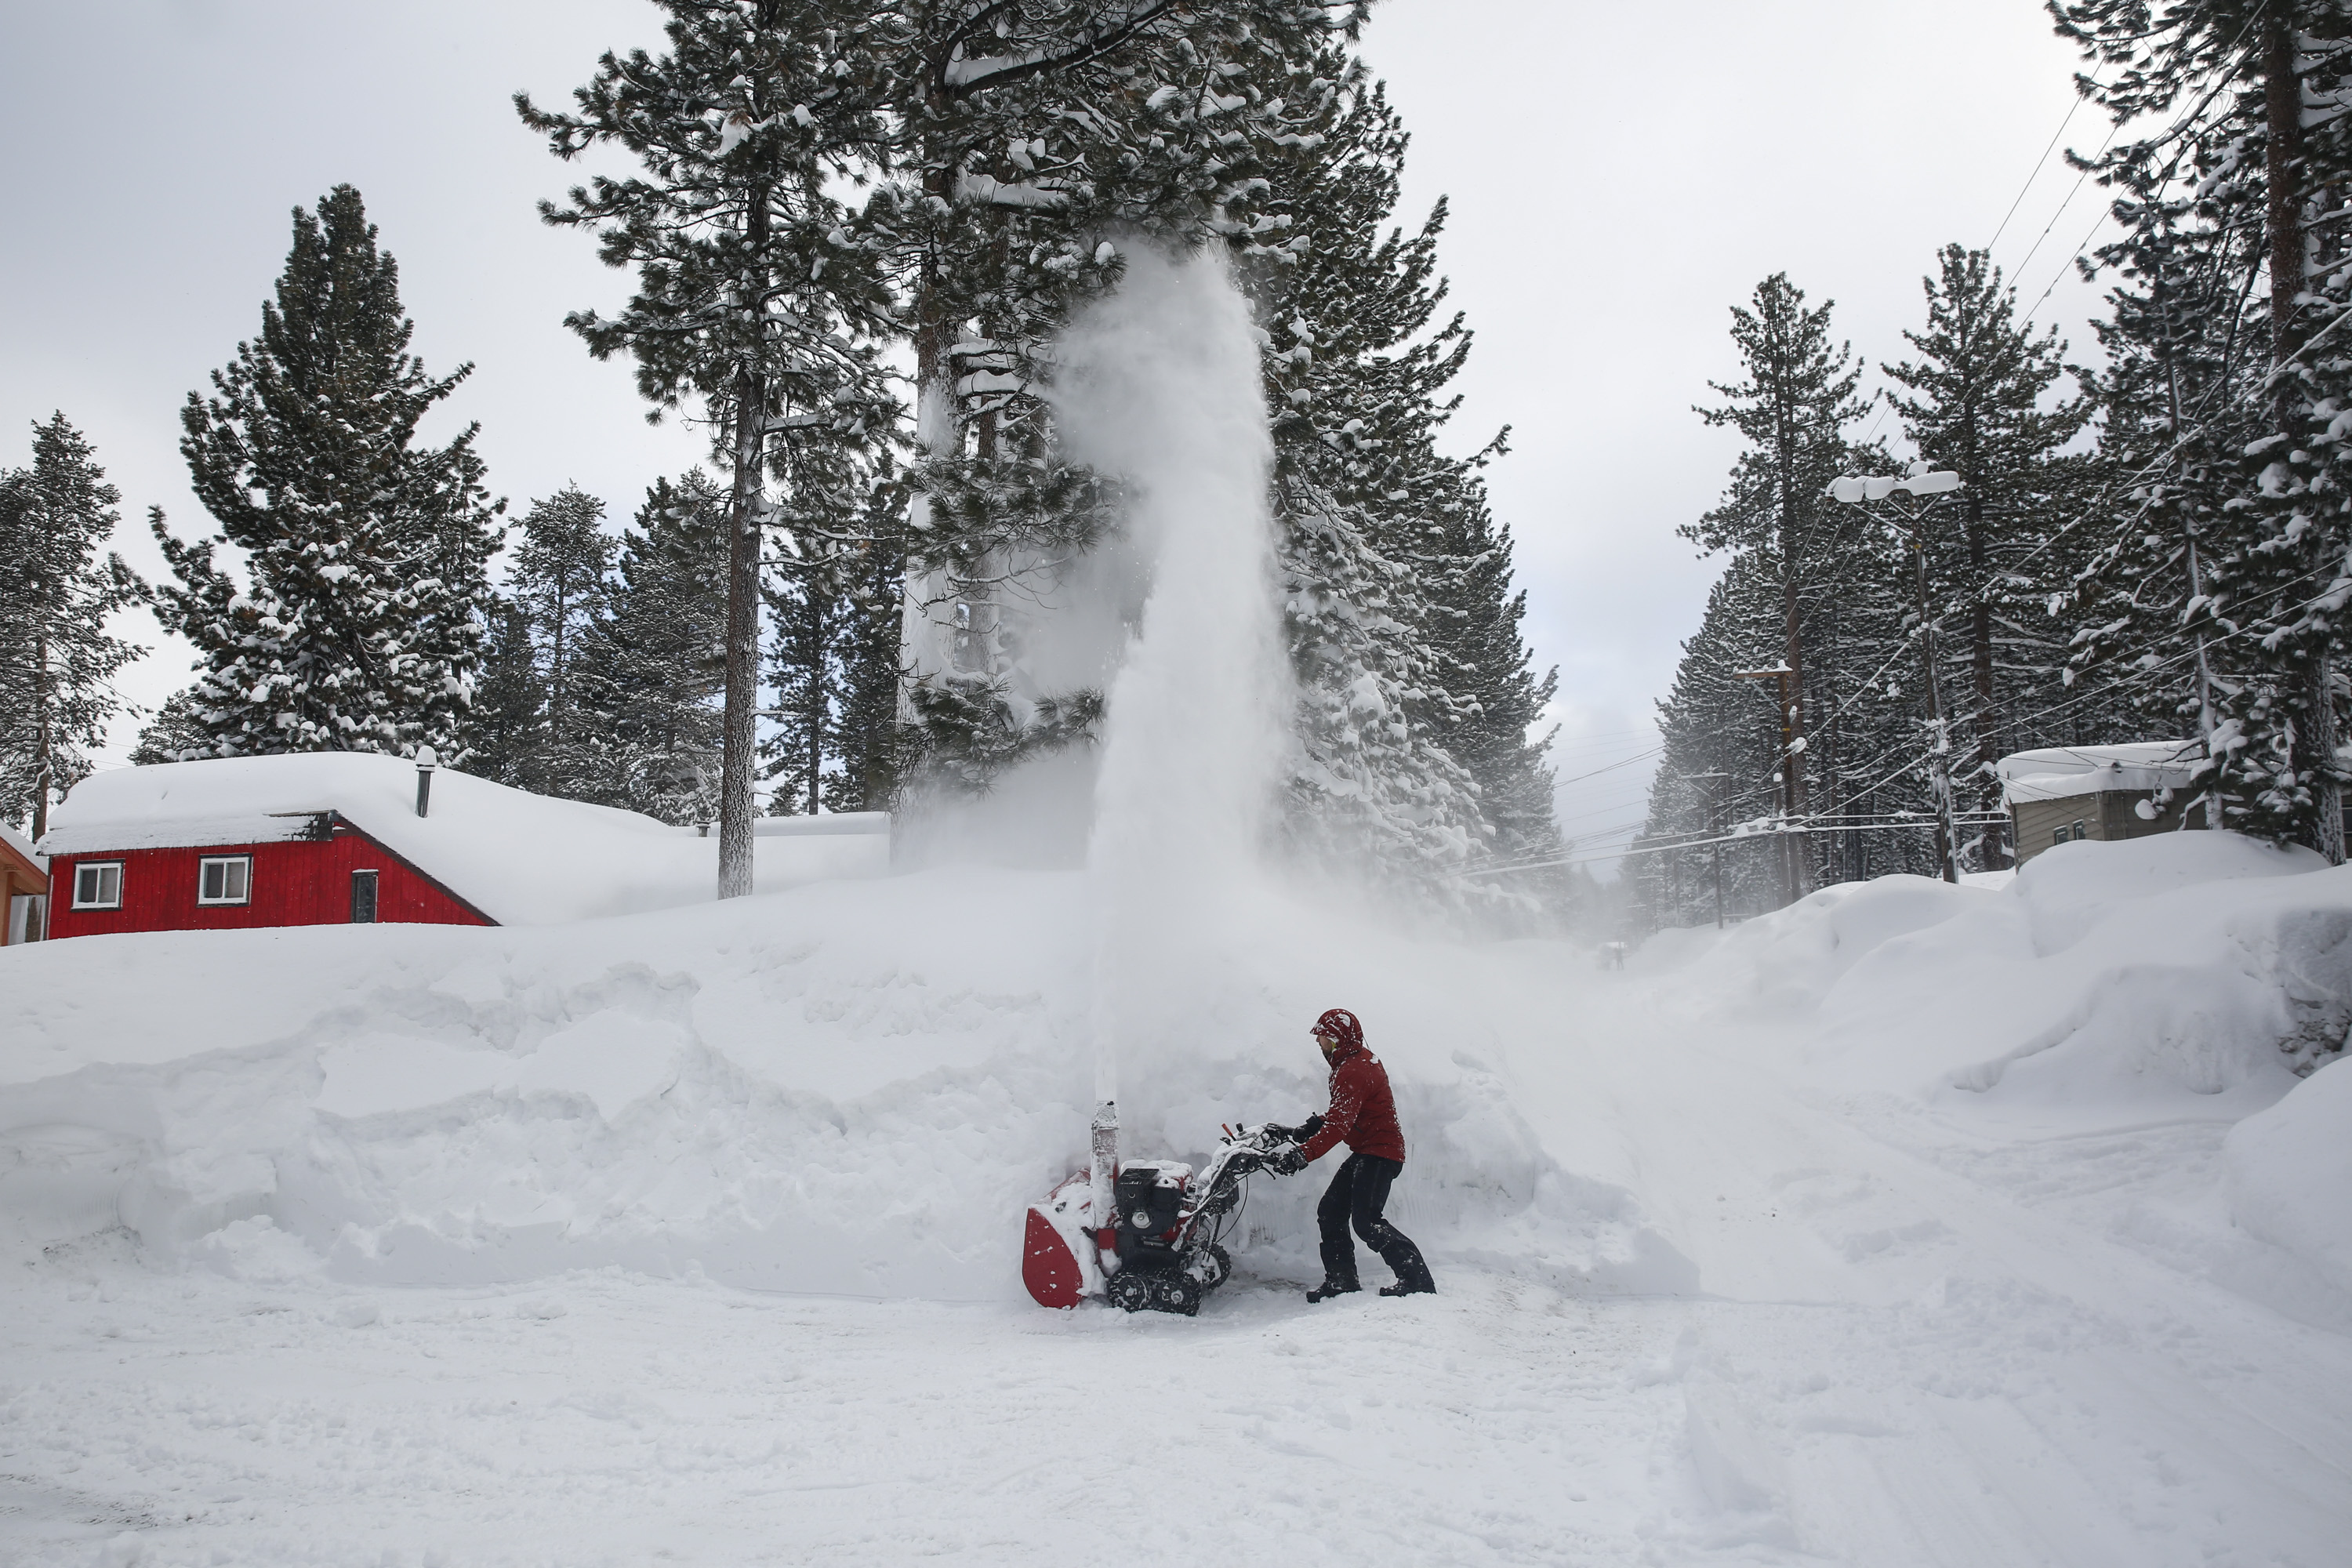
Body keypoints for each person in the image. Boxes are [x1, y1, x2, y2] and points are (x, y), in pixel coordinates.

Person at [1271, 1007, 1436, 1302]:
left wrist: (1302, 1156)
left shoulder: (1353, 1069)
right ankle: (1342, 1281)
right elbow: (1346, 1114)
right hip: (1368, 1150)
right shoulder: (1354, 1062)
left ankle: (1416, 1279)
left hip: (1380, 1153)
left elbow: (1339, 1126)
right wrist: (1311, 1127)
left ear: (1336, 1039)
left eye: (1322, 1038)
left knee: (1367, 1221)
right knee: (1331, 1212)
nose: (1319, 1044)